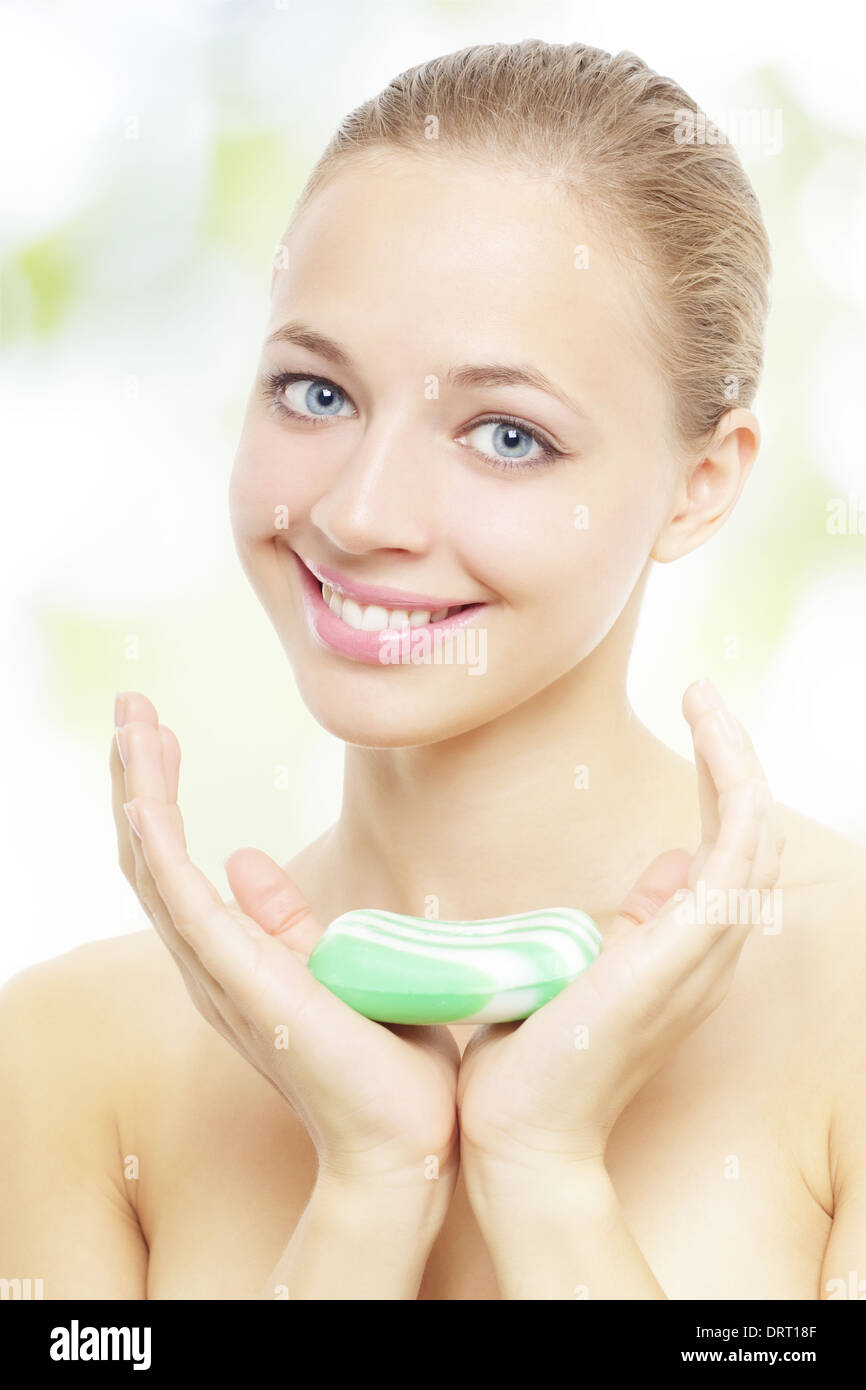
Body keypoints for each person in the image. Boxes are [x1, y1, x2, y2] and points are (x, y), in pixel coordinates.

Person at [2, 39, 865, 1301]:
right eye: (314, 392)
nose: (359, 512)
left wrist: (542, 1167)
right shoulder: (65, 1060)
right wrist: (369, 1182)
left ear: (701, 483)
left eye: (504, 433)